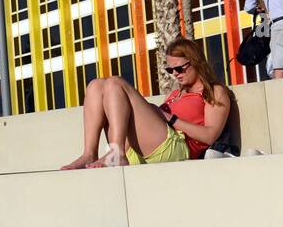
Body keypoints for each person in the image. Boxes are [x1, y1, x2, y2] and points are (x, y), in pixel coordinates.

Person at [61, 37, 230, 169]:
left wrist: (169, 118)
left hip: (178, 149)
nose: (175, 74)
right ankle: (90, 153)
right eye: (170, 70)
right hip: (142, 151)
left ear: (195, 62)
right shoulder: (174, 94)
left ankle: (116, 152)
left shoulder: (214, 91)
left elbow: (210, 135)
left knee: (115, 83)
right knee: (95, 86)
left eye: (179, 68)